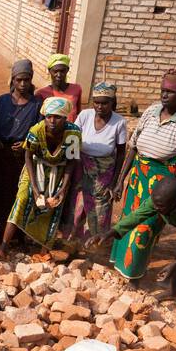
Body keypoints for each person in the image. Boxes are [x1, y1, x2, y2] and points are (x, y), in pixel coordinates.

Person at [110, 68, 176, 283]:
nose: (164, 95)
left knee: (145, 228)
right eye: (162, 90)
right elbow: (132, 148)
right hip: (137, 178)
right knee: (128, 221)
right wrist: (120, 181)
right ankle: (119, 269)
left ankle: (134, 276)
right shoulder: (151, 112)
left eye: (170, 92)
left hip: (162, 184)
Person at [0, 96, 79, 260]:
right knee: (22, 198)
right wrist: (33, 186)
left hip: (59, 171)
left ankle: (44, 249)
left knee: (52, 205)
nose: (53, 121)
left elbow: (71, 161)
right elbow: (28, 157)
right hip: (35, 168)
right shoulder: (36, 131)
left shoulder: (73, 133)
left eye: (58, 117)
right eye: (49, 117)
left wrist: (63, 188)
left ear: (65, 118)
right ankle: (3, 247)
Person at [70, 82, 128, 246]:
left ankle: (96, 243)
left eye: (105, 103)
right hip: (81, 168)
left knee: (99, 209)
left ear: (112, 102)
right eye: (97, 102)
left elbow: (121, 152)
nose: (100, 106)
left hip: (104, 175)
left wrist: (116, 181)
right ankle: (74, 238)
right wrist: (74, 171)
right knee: (79, 206)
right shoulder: (84, 116)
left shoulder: (119, 122)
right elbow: (72, 141)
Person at [0, 59, 41, 240]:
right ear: (12, 80)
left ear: (31, 80)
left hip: (23, 158)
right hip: (2, 153)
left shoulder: (36, 105)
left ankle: (16, 237)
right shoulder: (3, 101)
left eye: (26, 80)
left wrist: (27, 143)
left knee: (19, 195)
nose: (22, 84)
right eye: (19, 80)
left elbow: (39, 131)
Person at [34, 53, 83, 118]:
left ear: (67, 70)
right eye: (55, 71)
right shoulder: (41, 93)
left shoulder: (76, 89)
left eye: (62, 71)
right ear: (49, 71)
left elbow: (78, 113)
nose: (59, 75)